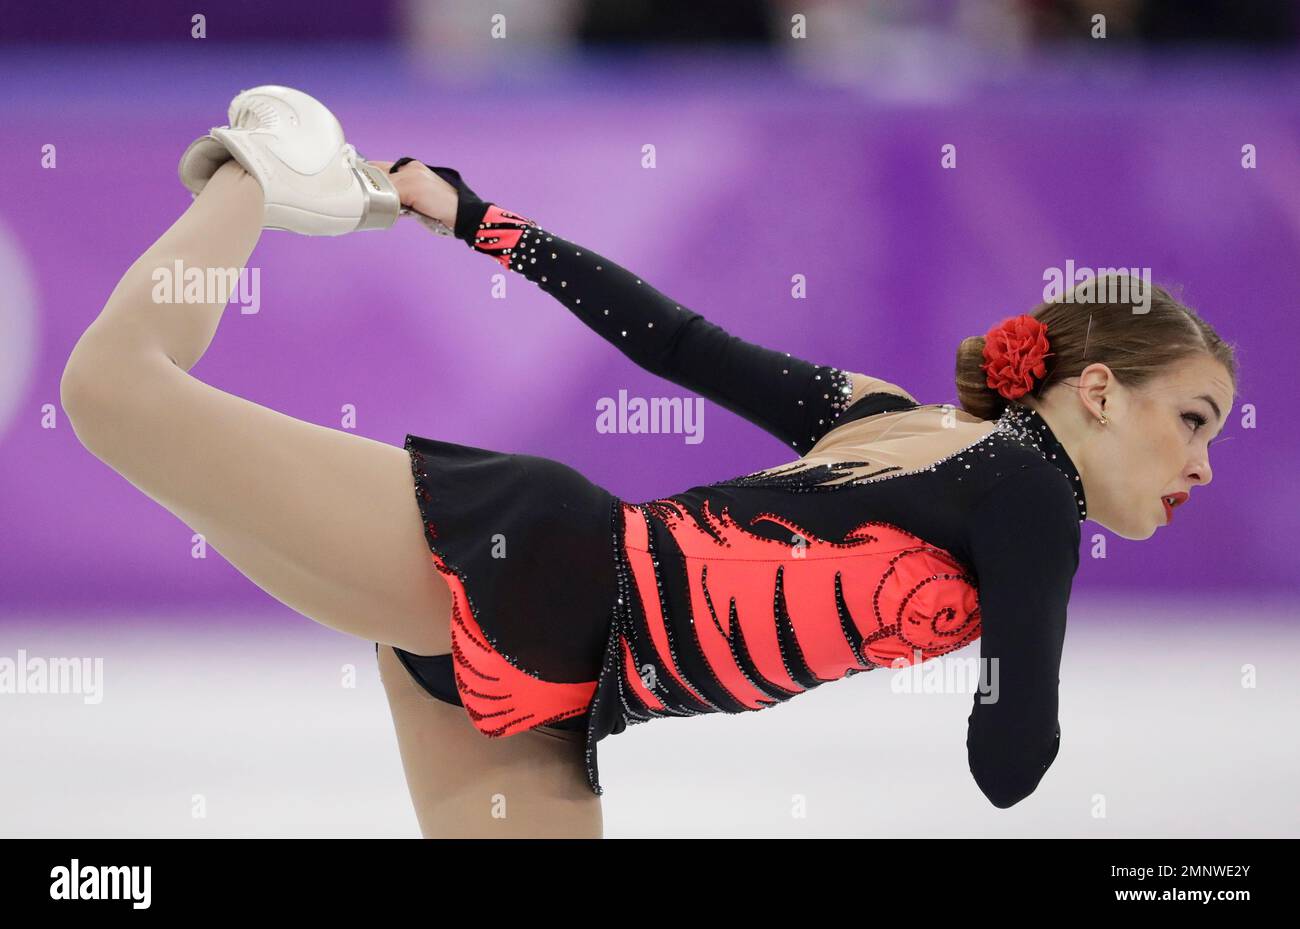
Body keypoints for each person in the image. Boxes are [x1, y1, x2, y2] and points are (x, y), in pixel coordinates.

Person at [61, 86, 1237, 838]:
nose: (1200, 466)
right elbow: (1010, 762)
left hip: (567, 677)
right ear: (1094, 391)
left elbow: (670, 338)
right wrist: (1022, 614)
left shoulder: (891, 416)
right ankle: (262, 171)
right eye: (1191, 419)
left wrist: (474, 217)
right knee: (111, 392)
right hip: (542, 573)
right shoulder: (1030, 491)